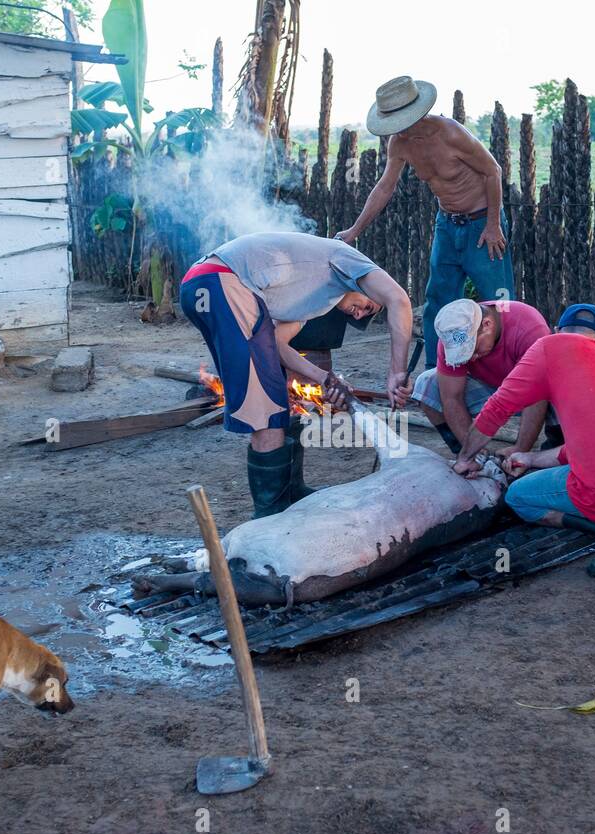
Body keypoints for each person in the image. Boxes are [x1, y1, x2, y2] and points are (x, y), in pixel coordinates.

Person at [179, 232, 413, 518]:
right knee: (265, 408)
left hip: (202, 284)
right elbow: (399, 299)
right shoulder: (348, 258)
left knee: (280, 393)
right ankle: (270, 514)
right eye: (368, 306)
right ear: (363, 285)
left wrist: (325, 379)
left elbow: (277, 344)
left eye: (365, 316)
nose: (361, 314)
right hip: (223, 282)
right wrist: (397, 372)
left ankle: (290, 491)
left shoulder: (316, 296)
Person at [452, 306, 595, 578]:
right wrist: (530, 458)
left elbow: (497, 409)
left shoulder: (548, 347)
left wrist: (465, 458)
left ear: (556, 331)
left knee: (518, 498)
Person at [335, 75, 514, 370]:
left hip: (482, 226)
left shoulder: (451, 134)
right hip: (447, 226)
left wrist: (493, 224)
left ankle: (509, 374)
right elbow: (384, 187)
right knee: (438, 301)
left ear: (416, 112)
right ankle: (437, 372)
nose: (398, 129)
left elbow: (492, 171)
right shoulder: (400, 143)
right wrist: (354, 231)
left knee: (499, 303)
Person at [406, 297, 556, 454]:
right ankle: (468, 453)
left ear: (487, 325)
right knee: (427, 383)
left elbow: (536, 395)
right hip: (492, 388)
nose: (472, 358)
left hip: (534, 392)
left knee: (562, 386)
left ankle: (555, 448)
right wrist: (470, 454)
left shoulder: (528, 326)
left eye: (473, 349)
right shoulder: (451, 335)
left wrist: (521, 449)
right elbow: (451, 398)